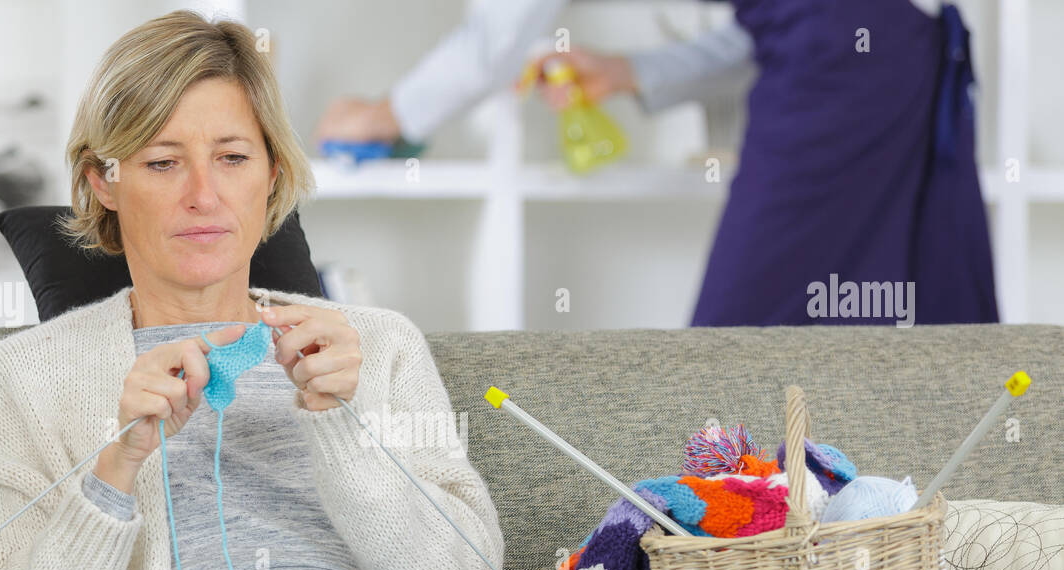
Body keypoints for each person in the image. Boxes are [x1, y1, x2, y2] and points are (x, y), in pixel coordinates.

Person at [0, 9, 935, 570]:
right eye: (163, 161)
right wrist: (115, 466)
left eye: (232, 157)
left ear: (273, 174)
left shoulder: (374, 345)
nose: (204, 195)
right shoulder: (28, 380)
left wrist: (343, 425)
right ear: (103, 180)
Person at [315, 0, 998, 328]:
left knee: (734, 353)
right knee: (881, 334)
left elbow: (508, 23)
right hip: (892, 51)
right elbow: (786, 22)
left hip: (851, 72)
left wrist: (399, 112)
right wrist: (635, 71)